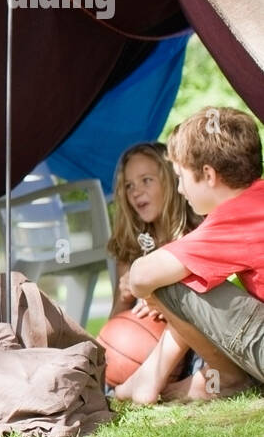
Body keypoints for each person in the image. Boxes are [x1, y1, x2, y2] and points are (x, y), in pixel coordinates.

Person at [117, 107, 264, 404]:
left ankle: (229, 380)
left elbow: (141, 275)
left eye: (181, 176)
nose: (181, 189)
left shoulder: (235, 217)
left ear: (208, 174)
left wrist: (148, 296)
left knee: (169, 279)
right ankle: (158, 379)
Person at [107, 142, 200, 319]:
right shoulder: (131, 246)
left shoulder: (196, 236)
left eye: (146, 180)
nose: (136, 192)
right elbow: (114, 325)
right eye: (129, 186)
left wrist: (165, 307)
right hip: (146, 340)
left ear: (171, 181)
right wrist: (124, 298)